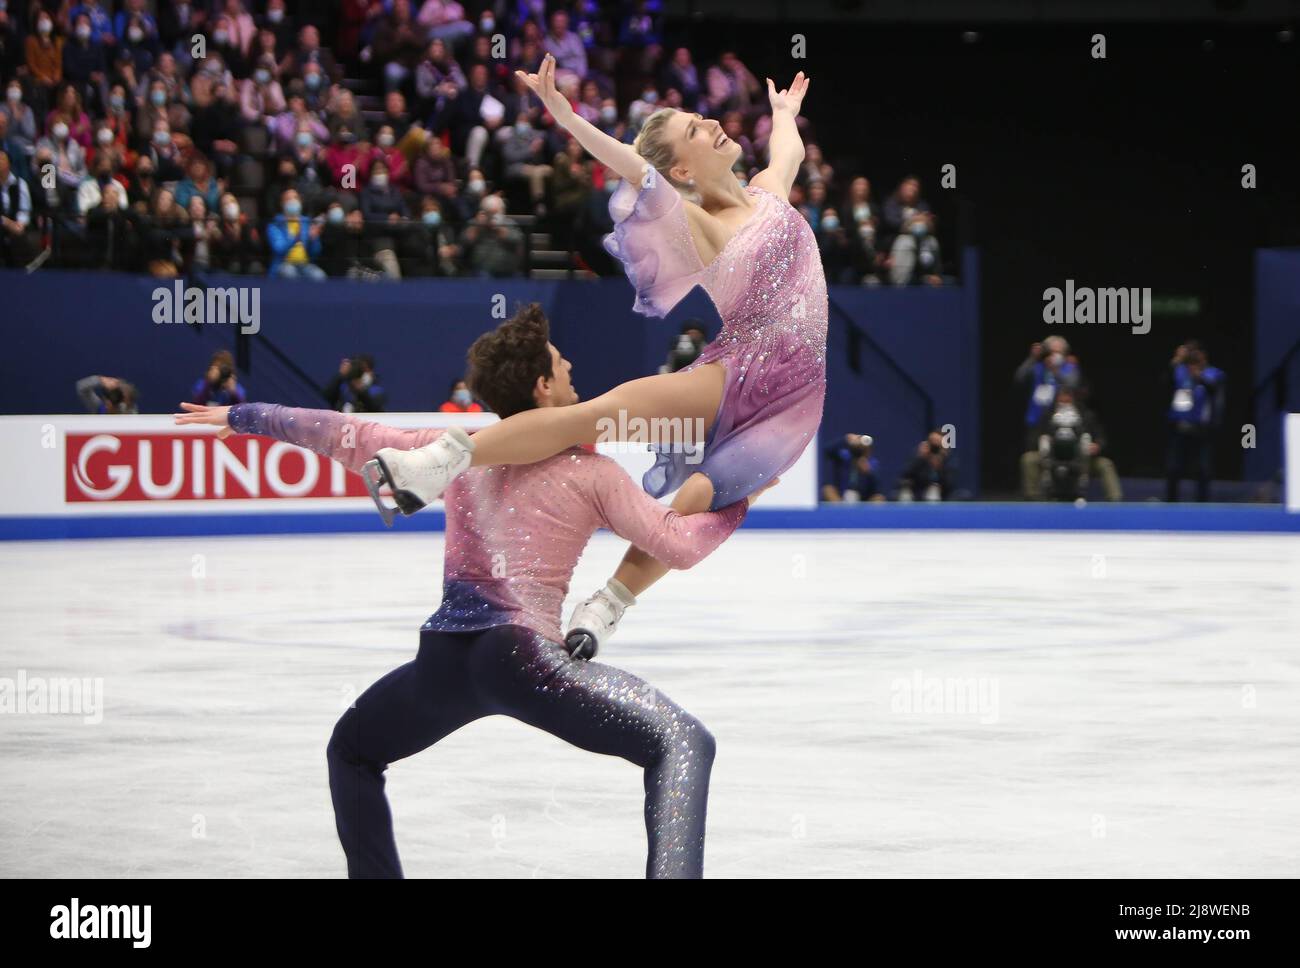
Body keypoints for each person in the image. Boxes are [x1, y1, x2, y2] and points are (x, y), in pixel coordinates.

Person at [173, 304, 775, 878]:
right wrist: (739, 495)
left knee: (352, 750)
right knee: (683, 742)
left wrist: (244, 417)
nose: (573, 374)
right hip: (522, 659)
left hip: (445, 661)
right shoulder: (591, 472)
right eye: (563, 367)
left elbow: (342, 432)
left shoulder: (452, 454)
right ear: (542, 388)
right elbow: (677, 545)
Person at [371, 55, 824, 655]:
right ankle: (435, 464)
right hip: (734, 369)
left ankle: (606, 605)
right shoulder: (701, 224)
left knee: (695, 499)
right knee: (600, 414)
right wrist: (564, 114)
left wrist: (784, 113)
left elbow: (786, 154)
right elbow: (638, 167)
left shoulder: (769, 195)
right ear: (683, 168)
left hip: (792, 406)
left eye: (697, 116)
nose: (708, 122)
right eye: (692, 129)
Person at [1166, 341, 1226, 502]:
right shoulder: (1180, 371)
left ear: (1203, 356)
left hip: (1202, 429)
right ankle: (1171, 503)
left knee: (1202, 469)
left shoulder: (1214, 373)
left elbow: (1213, 388)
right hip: (1181, 427)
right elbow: (1167, 379)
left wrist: (1198, 375)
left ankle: (1203, 503)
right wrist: (1177, 360)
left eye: (1195, 354)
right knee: (1174, 468)